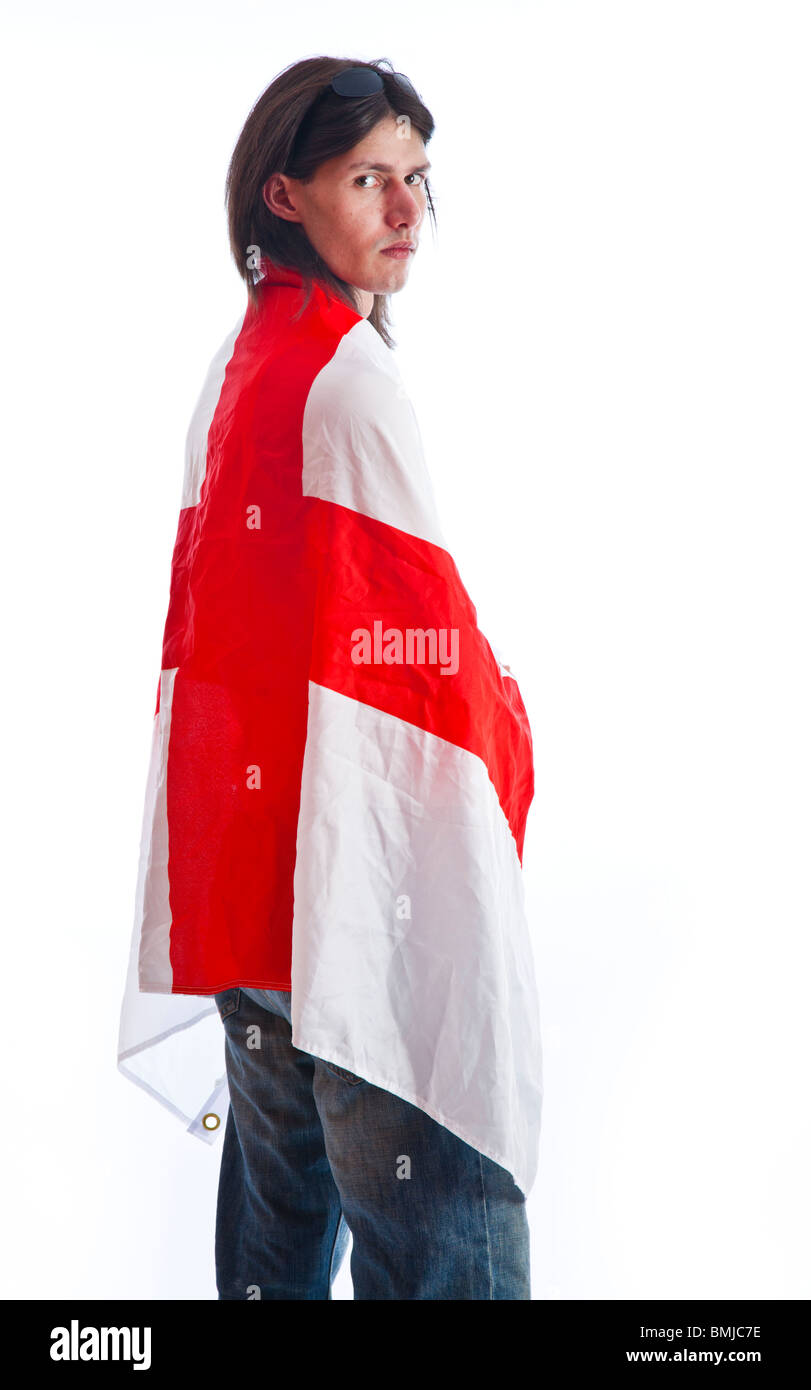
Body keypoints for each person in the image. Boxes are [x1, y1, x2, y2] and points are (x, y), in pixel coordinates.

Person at [118, 55, 543, 1301]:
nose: (408, 213)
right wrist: (507, 717)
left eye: (418, 180)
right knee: (440, 1220)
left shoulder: (238, 367)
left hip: (250, 884)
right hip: (345, 897)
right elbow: (413, 663)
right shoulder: (352, 384)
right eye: (370, 180)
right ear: (285, 195)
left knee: (280, 1211)